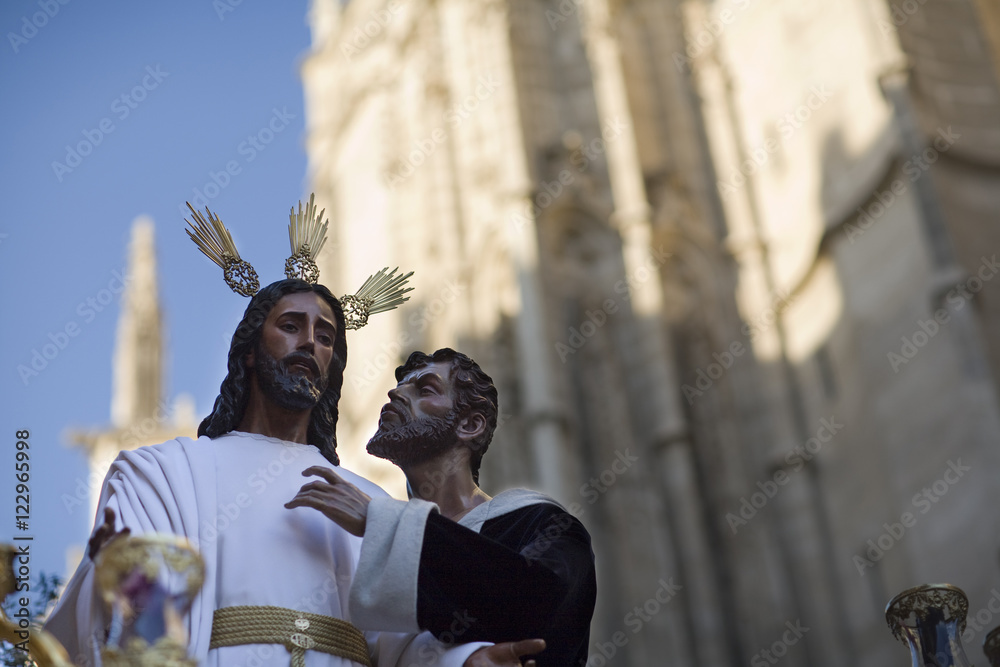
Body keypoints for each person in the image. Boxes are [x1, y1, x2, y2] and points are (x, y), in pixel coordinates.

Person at [45, 280, 542, 667]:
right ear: (248, 351)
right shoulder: (163, 472)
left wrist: (465, 658)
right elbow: (127, 620)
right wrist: (119, 578)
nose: (309, 341)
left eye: (325, 336)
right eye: (290, 326)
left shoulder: (371, 504)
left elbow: (400, 647)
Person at [286, 348, 597, 666]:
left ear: (470, 425)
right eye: (400, 386)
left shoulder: (539, 523)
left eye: (425, 389)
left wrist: (381, 522)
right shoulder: (364, 548)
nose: (395, 392)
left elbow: (537, 608)